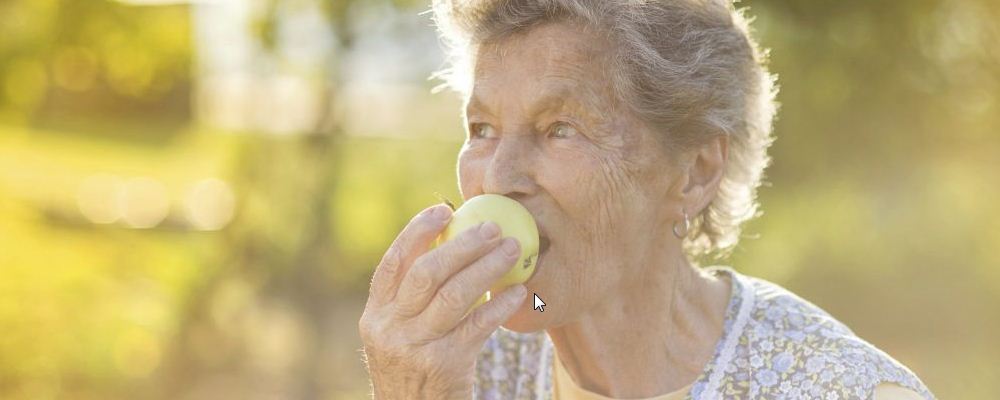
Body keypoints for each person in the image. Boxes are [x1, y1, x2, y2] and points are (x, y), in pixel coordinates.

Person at [359, 0, 935, 398]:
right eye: (481, 129)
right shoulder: (452, 368)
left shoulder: (840, 390)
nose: (498, 177)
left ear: (694, 174)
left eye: (560, 127)